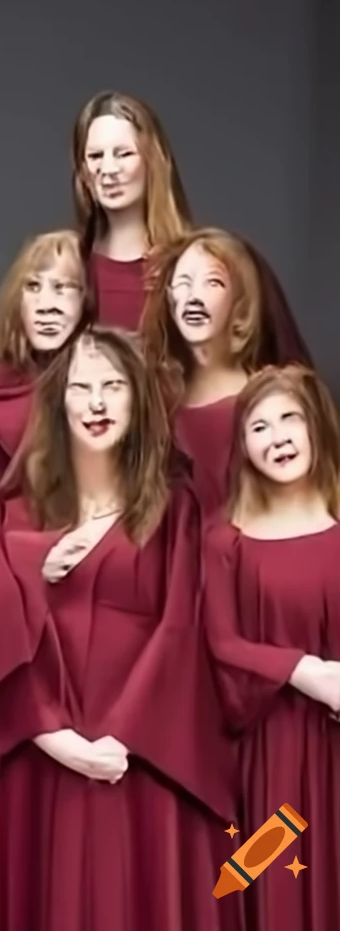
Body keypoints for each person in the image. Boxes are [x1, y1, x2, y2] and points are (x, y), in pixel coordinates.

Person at [0, 327, 239, 931]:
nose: (97, 402)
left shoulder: (174, 509)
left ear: (138, 399)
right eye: (81, 387)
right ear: (59, 402)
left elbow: (181, 629)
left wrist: (121, 740)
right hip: (38, 760)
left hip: (144, 759)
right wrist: (55, 737)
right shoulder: (21, 515)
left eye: (113, 386)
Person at [205, 365, 340, 931]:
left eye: (290, 418)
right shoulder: (225, 540)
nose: (279, 436)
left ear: (316, 426)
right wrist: (302, 670)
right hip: (272, 757)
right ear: (242, 446)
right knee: (275, 888)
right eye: (259, 427)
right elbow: (218, 644)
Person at [71, 90, 309, 364]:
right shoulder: (65, 272)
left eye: (124, 153)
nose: (108, 168)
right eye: (96, 156)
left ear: (153, 160)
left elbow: (293, 380)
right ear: (83, 170)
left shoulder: (214, 262)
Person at [141, 227, 268, 513]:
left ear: (241, 302)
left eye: (212, 282)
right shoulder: (159, 399)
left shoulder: (265, 401)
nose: (193, 297)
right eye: (183, 283)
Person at [0, 229, 90, 474]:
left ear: (88, 298)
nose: (46, 306)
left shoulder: (109, 396)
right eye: (32, 286)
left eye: (62, 287)